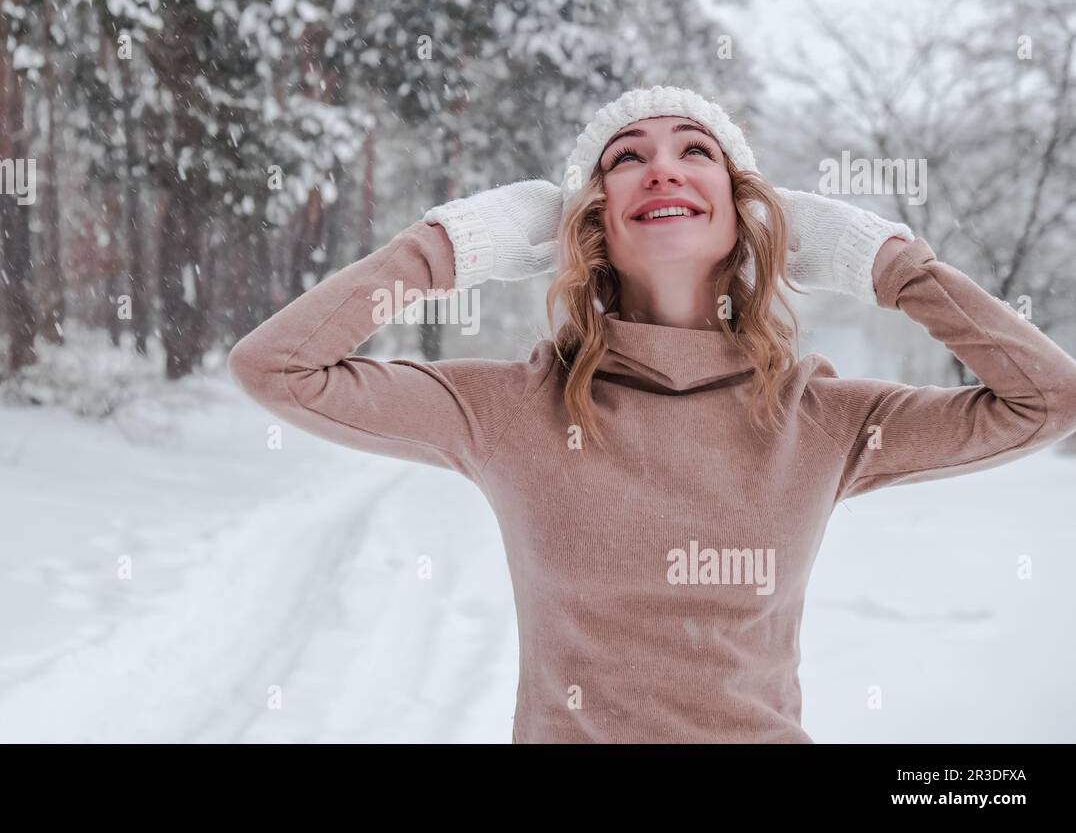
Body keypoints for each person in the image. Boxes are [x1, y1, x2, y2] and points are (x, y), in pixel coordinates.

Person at [227, 83, 1076, 743]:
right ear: (589, 221)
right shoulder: (515, 409)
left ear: (746, 215)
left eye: (696, 151)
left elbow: (1047, 398)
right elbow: (278, 366)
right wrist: (453, 243)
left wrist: (884, 260)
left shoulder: (819, 416)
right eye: (625, 157)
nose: (662, 167)